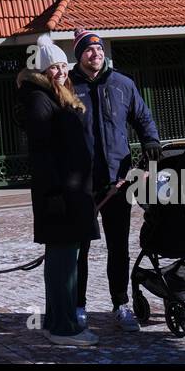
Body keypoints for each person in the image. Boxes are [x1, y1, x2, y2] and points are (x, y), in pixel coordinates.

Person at [70, 28, 160, 332]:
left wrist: (151, 143)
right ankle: (77, 306)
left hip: (117, 181)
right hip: (81, 183)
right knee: (79, 248)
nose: (95, 54)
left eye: (98, 49)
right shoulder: (68, 84)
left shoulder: (122, 84)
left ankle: (120, 304)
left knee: (118, 246)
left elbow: (143, 118)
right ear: (79, 56)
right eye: (88, 50)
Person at [15, 34, 100, 347]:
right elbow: (43, 152)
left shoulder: (58, 95)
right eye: (54, 66)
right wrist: (54, 194)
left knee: (64, 260)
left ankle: (56, 322)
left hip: (73, 192)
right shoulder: (40, 100)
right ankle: (65, 328)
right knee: (63, 264)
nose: (62, 71)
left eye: (64, 65)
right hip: (61, 195)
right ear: (42, 70)